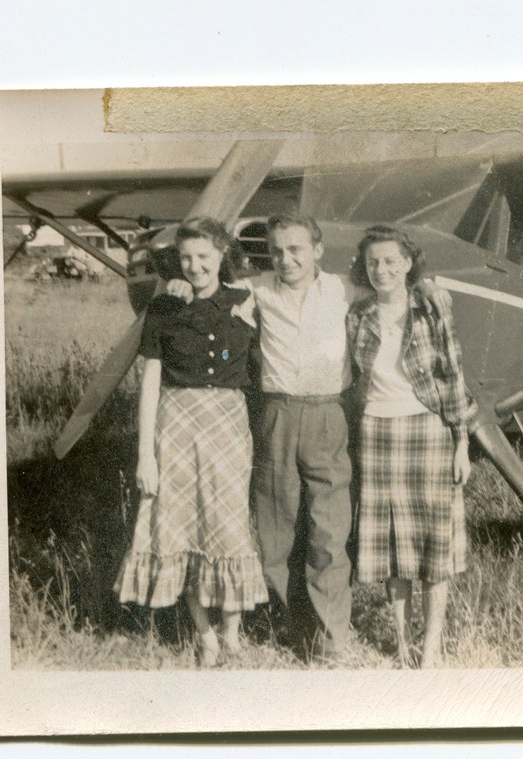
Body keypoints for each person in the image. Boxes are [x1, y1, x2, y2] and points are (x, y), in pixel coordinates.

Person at [166, 213, 450, 663]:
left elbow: (394, 285)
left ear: (317, 250)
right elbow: (209, 290)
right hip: (277, 414)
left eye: (297, 249)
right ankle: (298, 628)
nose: (286, 259)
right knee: (276, 533)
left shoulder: (343, 290)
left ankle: (332, 639)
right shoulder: (254, 290)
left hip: (329, 415)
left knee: (329, 532)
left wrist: (427, 283)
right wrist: (176, 285)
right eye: (277, 251)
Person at [114, 217, 267, 667]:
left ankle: (233, 634)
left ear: (222, 255)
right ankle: (206, 636)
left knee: (228, 522)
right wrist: (146, 453)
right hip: (176, 424)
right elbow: (151, 381)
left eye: (204, 256)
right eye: (186, 258)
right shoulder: (165, 309)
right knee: (177, 523)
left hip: (227, 424)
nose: (196, 266)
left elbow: (235, 354)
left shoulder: (246, 302)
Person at [345, 225, 476, 668]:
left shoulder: (432, 308)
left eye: (390, 261)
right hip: (378, 434)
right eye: (372, 263)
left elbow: (454, 376)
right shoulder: (357, 314)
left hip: (429, 430)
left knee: (435, 543)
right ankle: (402, 643)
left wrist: (462, 443)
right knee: (392, 545)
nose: (381, 270)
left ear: (407, 263)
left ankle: (432, 646)